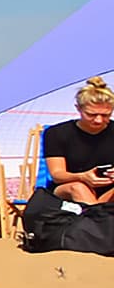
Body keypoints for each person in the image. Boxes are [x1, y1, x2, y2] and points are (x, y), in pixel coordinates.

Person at [44, 77, 114, 206]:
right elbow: (57, 175)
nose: (98, 120)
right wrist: (82, 177)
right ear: (78, 109)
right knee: (79, 188)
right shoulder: (57, 133)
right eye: (91, 115)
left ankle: (95, 216)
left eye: (105, 115)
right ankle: (98, 219)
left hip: (109, 189)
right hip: (69, 187)